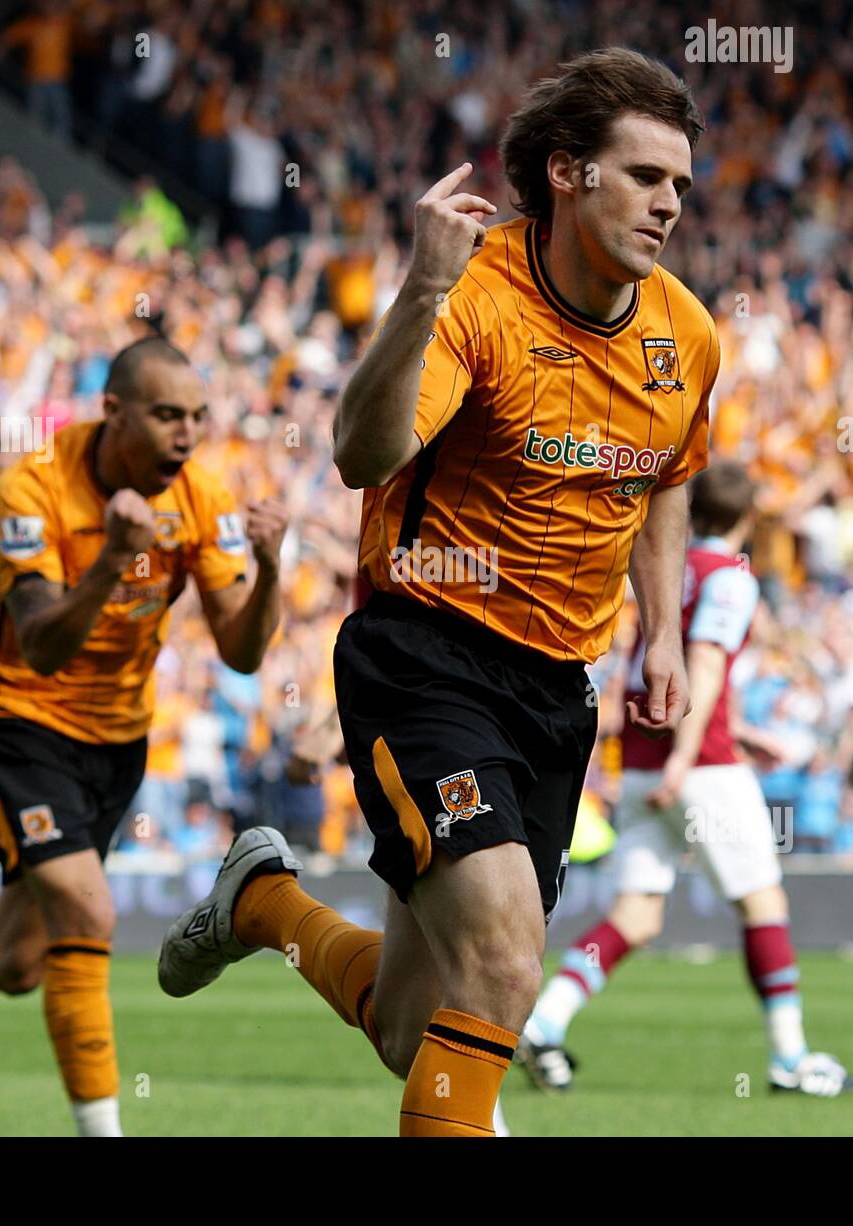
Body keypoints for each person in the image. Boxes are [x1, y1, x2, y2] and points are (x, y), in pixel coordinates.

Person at [158, 48, 718, 1137]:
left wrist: (661, 632)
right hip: (427, 655)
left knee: (415, 1027)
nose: (669, 205)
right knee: (506, 963)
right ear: (566, 173)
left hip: (558, 687)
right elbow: (363, 455)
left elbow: (664, 479)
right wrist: (419, 286)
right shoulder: (474, 295)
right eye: (646, 175)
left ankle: (261, 902)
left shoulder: (685, 334)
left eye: (681, 186)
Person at [0, 337, 288, 1137]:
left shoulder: (204, 497)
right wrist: (114, 562)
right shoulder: (30, 488)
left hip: (118, 737)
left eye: (197, 416)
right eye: (165, 416)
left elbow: (242, 652)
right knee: (87, 911)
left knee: (17, 963)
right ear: (113, 412)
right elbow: (44, 648)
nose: (186, 435)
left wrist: (270, 568)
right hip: (15, 715)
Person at [517, 462, 853, 1097]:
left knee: (637, 916)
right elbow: (700, 662)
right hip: (695, 768)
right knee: (763, 903)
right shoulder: (731, 577)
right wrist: (688, 756)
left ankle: (545, 1020)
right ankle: (792, 1058)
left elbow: (648, 664)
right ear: (747, 516)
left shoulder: (667, 567)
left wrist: (713, 736)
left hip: (649, 760)